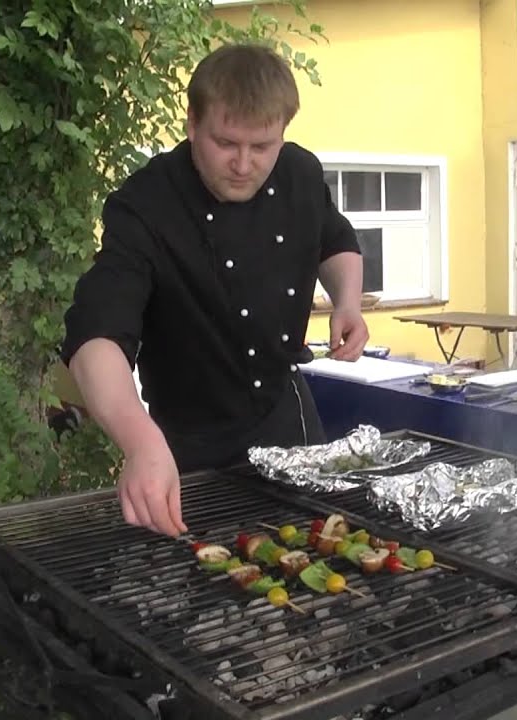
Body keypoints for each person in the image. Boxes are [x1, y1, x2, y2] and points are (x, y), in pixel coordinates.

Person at [59, 42, 369, 538]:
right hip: (186, 442)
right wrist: (139, 443)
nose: (243, 164)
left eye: (262, 147)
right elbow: (97, 335)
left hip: (286, 417)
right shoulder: (144, 205)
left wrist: (347, 302)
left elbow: (335, 240)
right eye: (225, 143)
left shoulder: (300, 174)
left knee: (314, 555)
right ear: (191, 125)